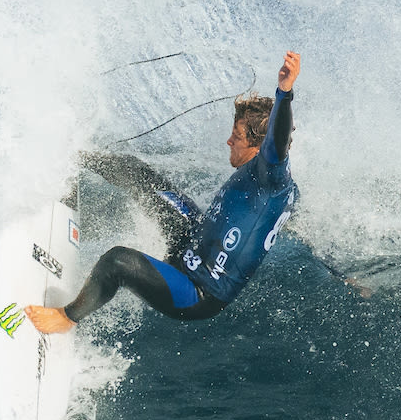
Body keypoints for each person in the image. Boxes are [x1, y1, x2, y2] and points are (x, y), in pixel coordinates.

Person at [27, 50, 302, 334]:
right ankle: (74, 158)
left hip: (198, 290)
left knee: (117, 261)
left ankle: (66, 318)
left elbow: (278, 141)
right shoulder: (274, 183)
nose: (229, 140)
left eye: (238, 136)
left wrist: (284, 92)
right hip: (194, 239)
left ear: (260, 145)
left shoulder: (272, 174)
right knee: (139, 175)